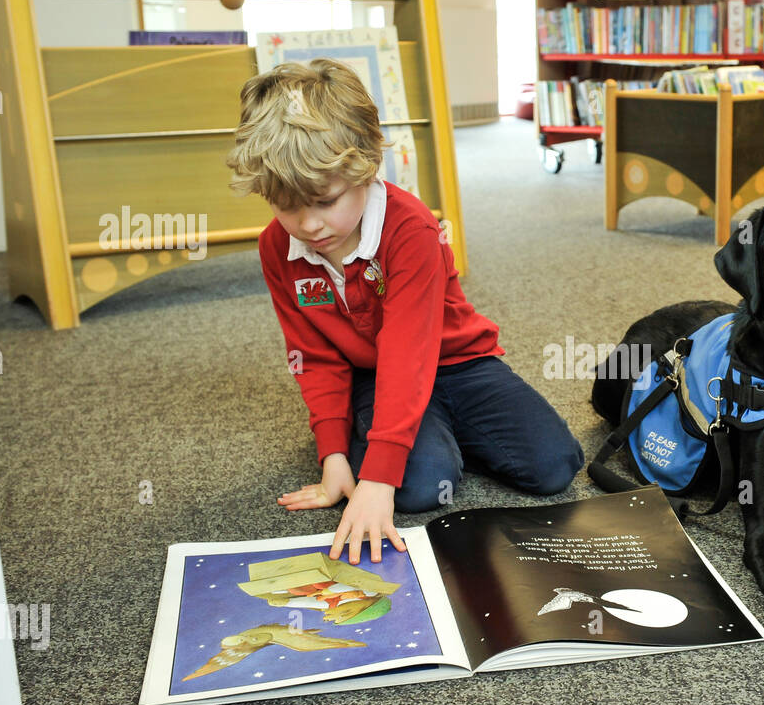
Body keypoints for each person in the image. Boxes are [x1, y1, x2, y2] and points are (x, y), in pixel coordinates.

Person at [226, 59, 584, 566]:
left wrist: (375, 476)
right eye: (287, 207)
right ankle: (423, 432)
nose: (308, 224)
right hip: (374, 374)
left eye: (325, 201)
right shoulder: (277, 248)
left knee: (555, 467)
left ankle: (429, 426)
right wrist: (333, 454)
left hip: (458, 363)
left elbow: (409, 349)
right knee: (422, 488)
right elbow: (313, 356)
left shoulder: (410, 227)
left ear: (365, 167)